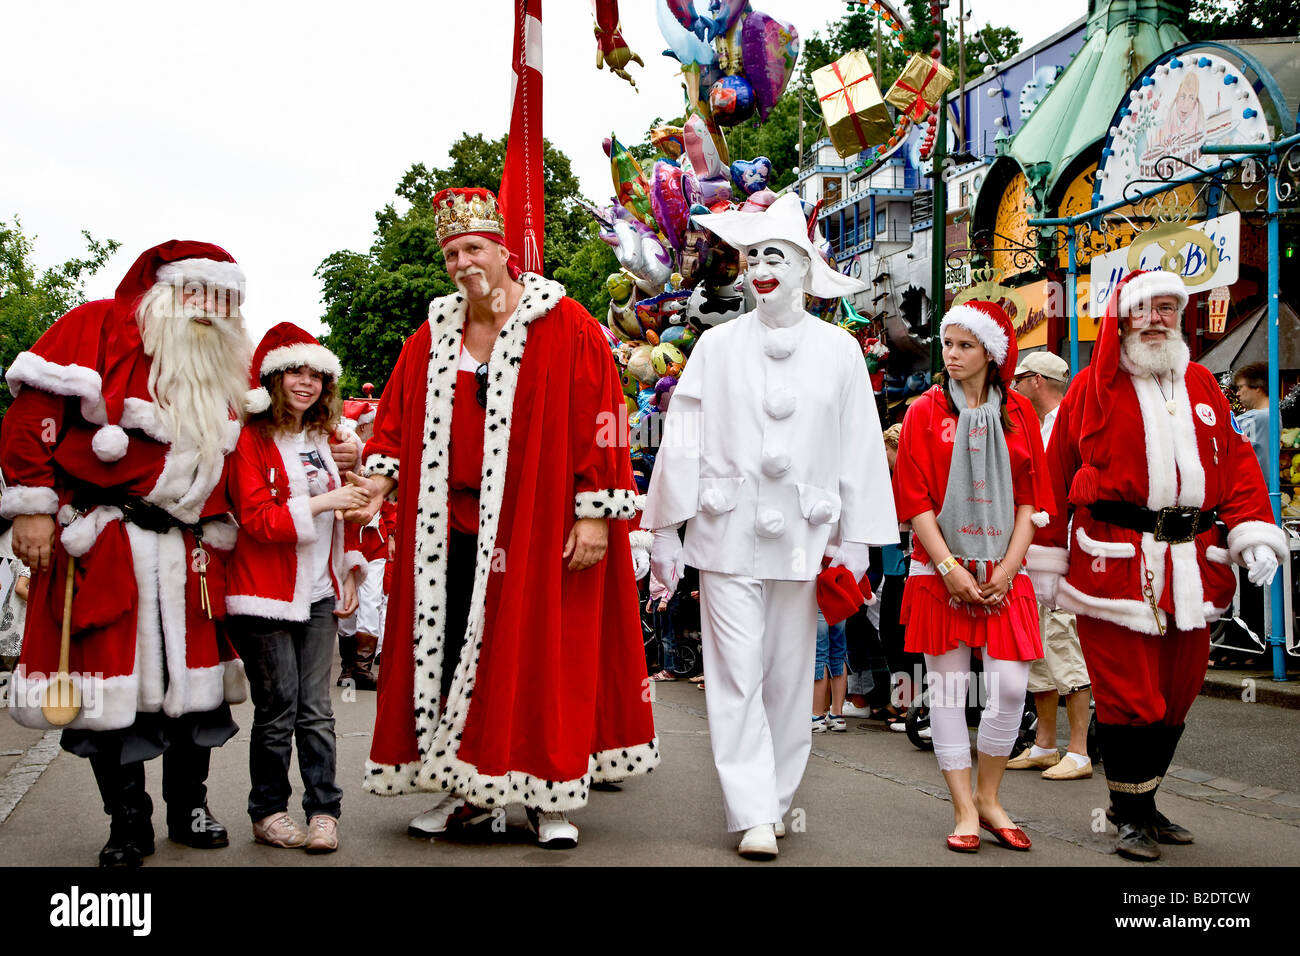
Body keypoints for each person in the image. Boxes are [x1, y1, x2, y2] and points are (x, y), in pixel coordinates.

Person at [352, 187, 657, 850]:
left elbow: (602, 420)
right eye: (452, 252)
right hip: (451, 530)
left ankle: (550, 796)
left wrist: (598, 512)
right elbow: (395, 425)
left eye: (474, 248)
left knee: (542, 658)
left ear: (501, 251)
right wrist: (375, 482)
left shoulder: (568, 324)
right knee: (455, 657)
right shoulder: (431, 336)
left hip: (538, 523)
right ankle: (471, 794)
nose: (463, 262)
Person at [642, 193, 898, 860]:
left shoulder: (841, 352)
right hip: (726, 535)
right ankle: (752, 810)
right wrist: (665, 528)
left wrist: (859, 540)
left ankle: (778, 800)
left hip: (808, 540)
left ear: (806, 269)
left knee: (790, 677)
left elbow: (860, 448)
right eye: (753, 256)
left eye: (776, 256)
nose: (762, 268)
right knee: (734, 677)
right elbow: (683, 442)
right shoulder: (717, 346)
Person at [0, 241, 252, 866]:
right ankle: (128, 821)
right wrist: (33, 506)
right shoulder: (93, 326)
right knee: (108, 696)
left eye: (221, 301)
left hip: (192, 552)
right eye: (196, 294)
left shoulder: (223, 373)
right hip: (108, 543)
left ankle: (189, 805)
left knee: (199, 692)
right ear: (163, 294)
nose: (207, 311)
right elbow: (31, 417)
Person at [1031, 269, 1285, 861]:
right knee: (1129, 695)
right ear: (1121, 315)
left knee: (1177, 692)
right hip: (1114, 565)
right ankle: (1131, 816)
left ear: (1181, 317)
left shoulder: (1200, 383)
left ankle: (1140, 801)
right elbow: (1052, 474)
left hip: (1194, 564)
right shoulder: (1092, 390)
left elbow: (1239, 466)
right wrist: (1046, 561)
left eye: (1167, 308)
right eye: (1143, 309)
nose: (1155, 320)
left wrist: (1251, 533)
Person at [892, 300, 1053, 854]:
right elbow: (912, 499)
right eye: (949, 344)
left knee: (1009, 688)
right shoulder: (923, 411)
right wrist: (948, 567)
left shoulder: (1021, 415)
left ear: (992, 352)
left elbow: (1033, 498)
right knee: (951, 689)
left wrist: (1008, 569)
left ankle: (989, 797)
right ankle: (964, 808)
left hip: (1006, 570)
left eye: (965, 345)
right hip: (941, 568)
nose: (952, 355)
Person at [224, 323, 370, 854]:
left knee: (318, 710)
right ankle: (267, 811)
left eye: (316, 374)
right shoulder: (249, 439)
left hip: (318, 591)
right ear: (272, 379)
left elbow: (349, 512)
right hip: (261, 594)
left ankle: (324, 812)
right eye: (295, 372)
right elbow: (259, 520)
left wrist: (350, 566)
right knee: (279, 708)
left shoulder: (328, 440)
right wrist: (328, 503)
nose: (306, 383)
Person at [1007, 351, 1093, 781]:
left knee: (1063, 645)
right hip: (1035, 550)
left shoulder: (1067, 425)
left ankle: (1078, 749)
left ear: (1036, 381)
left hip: (1061, 554)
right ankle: (1045, 743)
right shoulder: (1037, 425)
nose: (1013, 387)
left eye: (1019, 379)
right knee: (1037, 648)